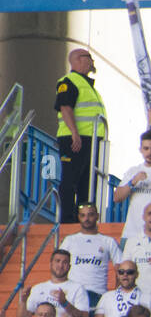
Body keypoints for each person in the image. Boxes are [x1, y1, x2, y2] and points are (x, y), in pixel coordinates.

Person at [56, 49, 106, 223]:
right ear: (78, 60)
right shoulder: (69, 81)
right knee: (70, 179)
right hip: (75, 139)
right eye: (89, 58)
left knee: (87, 182)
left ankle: (84, 218)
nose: (92, 62)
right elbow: (65, 107)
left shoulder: (88, 85)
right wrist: (74, 134)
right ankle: (68, 219)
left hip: (90, 140)